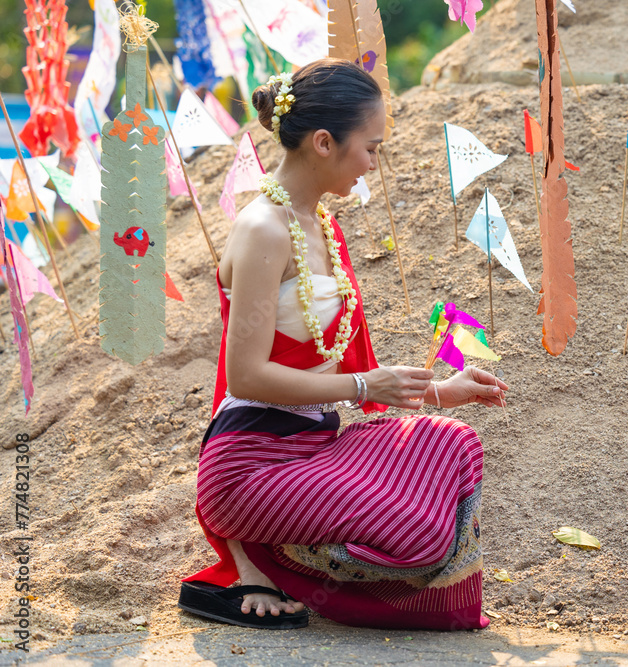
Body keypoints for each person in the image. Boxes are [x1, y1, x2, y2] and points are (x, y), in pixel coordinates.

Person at [178, 59, 508, 631]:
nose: (373, 165)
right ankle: (261, 559)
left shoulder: (320, 223)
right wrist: (361, 388)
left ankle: (280, 556)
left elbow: (357, 367)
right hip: (252, 465)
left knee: (456, 445)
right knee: (419, 532)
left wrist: (439, 393)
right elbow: (245, 378)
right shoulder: (263, 229)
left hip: (317, 444)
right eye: (371, 148)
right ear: (325, 142)